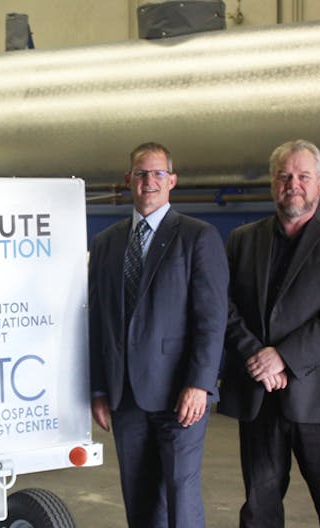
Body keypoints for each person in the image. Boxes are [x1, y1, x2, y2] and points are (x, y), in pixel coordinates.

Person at [219, 139, 320, 528]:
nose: (293, 184)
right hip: (260, 396)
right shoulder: (243, 239)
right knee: (259, 508)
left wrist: (284, 356)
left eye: (303, 176)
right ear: (273, 183)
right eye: (285, 176)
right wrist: (257, 355)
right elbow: (225, 306)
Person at [89, 142, 229, 527]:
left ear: (172, 181)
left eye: (157, 174)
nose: (148, 182)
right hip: (125, 396)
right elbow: (98, 319)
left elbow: (211, 319)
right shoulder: (106, 243)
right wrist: (99, 389)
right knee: (139, 497)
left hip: (179, 395)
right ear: (128, 180)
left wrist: (200, 384)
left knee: (180, 496)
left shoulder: (197, 237)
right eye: (141, 174)